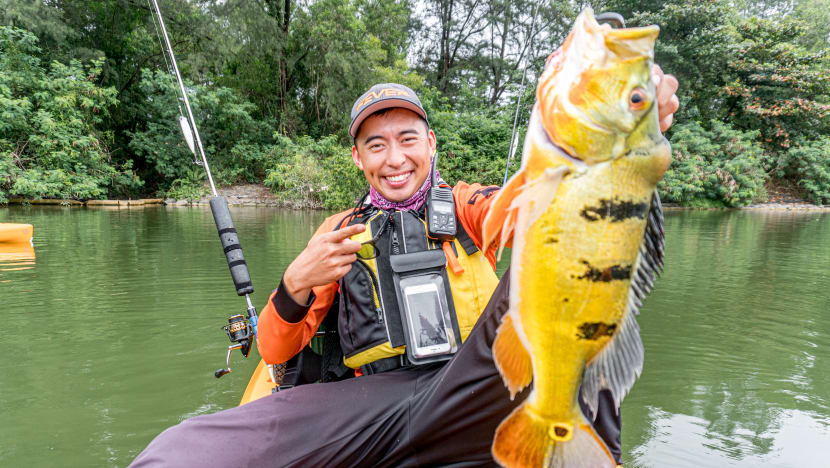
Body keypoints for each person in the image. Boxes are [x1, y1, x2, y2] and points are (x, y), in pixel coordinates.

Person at [132, 67, 679, 467]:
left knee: (569, 298)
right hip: (377, 403)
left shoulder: (468, 206)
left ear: (430, 143)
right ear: (358, 158)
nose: (394, 159)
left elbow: (539, 206)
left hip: (472, 387)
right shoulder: (337, 233)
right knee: (177, 454)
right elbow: (276, 353)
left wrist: (619, 132)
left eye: (407, 139)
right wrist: (297, 280)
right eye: (376, 145)